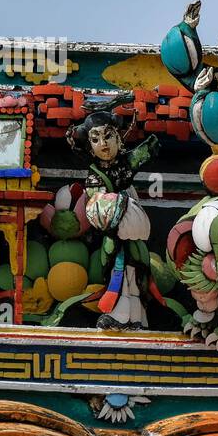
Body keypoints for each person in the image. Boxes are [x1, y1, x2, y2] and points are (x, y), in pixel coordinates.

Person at [66, 94, 159, 329]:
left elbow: (146, 151)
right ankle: (124, 314)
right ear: (90, 146)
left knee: (134, 267)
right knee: (114, 265)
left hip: (129, 217)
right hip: (110, 224)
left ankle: (133, 315)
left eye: (108, 136)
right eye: (95, 139)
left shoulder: (127, 163)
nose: (103, 144)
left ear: (119, 139)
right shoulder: (95, 173)